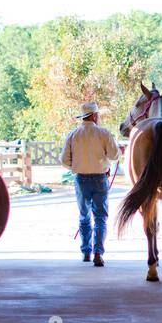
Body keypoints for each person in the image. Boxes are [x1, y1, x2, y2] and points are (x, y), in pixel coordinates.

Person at [61, 100, 120, 266]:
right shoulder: (104, 133)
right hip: (100, 179)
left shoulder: (73, 135)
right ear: (94, 116)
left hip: (81, 179)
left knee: (84, 216)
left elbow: (64, 160)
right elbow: (115, 155)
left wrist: (77, 166)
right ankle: (98, 253)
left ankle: (86, 252)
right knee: (100, 217)